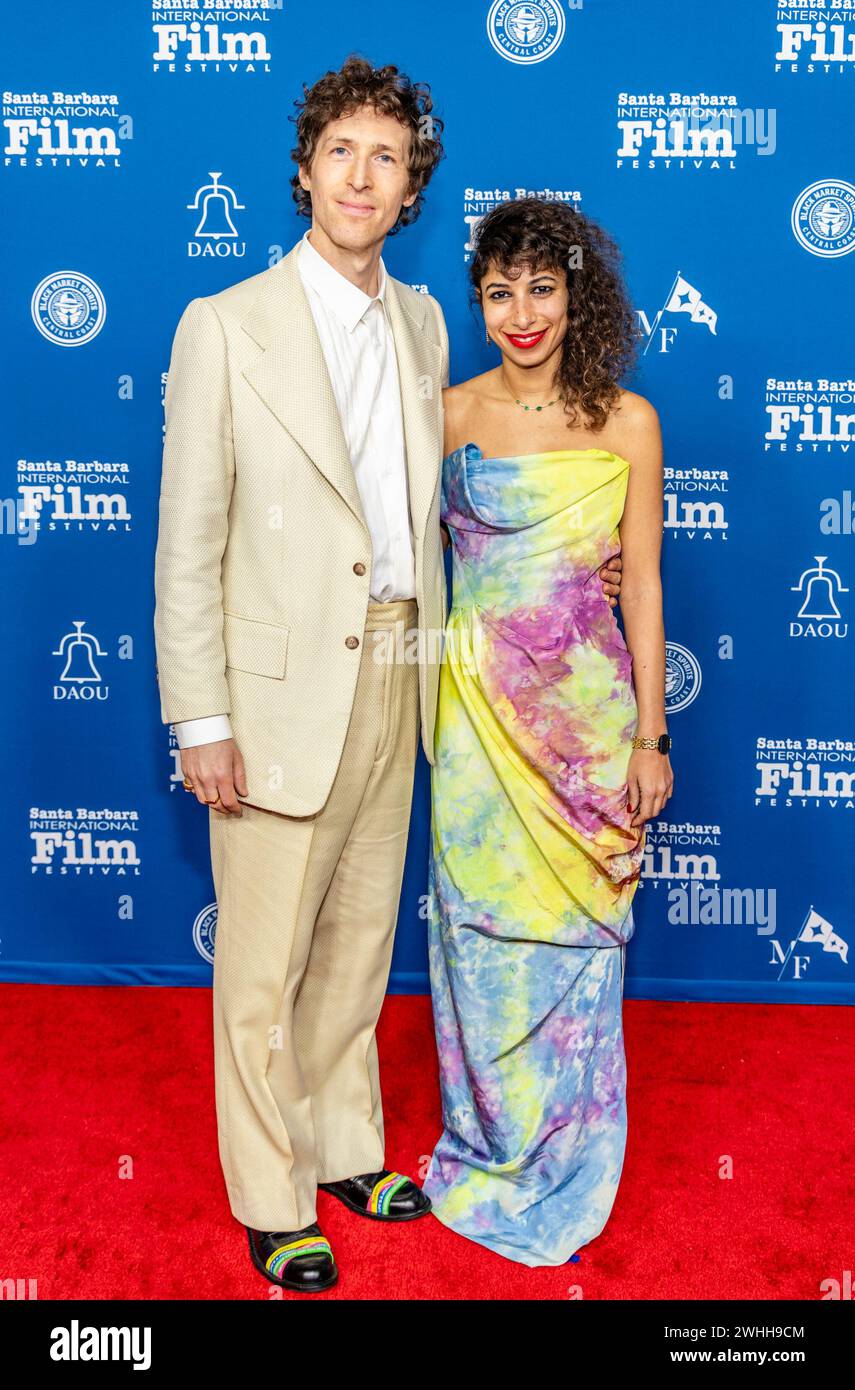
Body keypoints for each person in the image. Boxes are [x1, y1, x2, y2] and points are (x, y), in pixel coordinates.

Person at [154, 56, 623, 1293]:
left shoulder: (422, 322)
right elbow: (187, 539)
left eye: (388, 158)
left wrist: (582, 570)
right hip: (271, 694)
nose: (363, 178)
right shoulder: (224, 325)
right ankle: (270, 1192)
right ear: (305, 169)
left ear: (411, 186)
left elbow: (466, 498)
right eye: (341, 153)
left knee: (362, 941)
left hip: (407, 669)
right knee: (264, 962)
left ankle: (346, 1141)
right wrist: (201, 717)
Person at [422, 197, 673, 1267]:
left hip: (589, 727)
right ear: (478, 304)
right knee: (477, 940)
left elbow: (646, 587)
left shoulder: (630, 420)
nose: (521, 313)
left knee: (576, 949)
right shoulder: (443, 415)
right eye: (498, 292)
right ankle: (486, 1143)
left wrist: (652, 739)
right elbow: (389, 557)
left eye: (541, 287)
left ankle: (568, 1155)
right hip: (476, 727)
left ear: (578, 294)